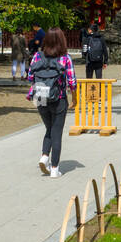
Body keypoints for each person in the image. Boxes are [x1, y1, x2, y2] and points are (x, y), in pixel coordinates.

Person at [26, 27, 75, 178]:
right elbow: (72, 82)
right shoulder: (65, 57)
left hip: (40, 98)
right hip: (58, 98)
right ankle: (54, 168)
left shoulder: (37, 56)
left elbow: (30, 77)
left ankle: (44, 156)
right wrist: (75, 99)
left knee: (49, 128)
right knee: (57, 132)